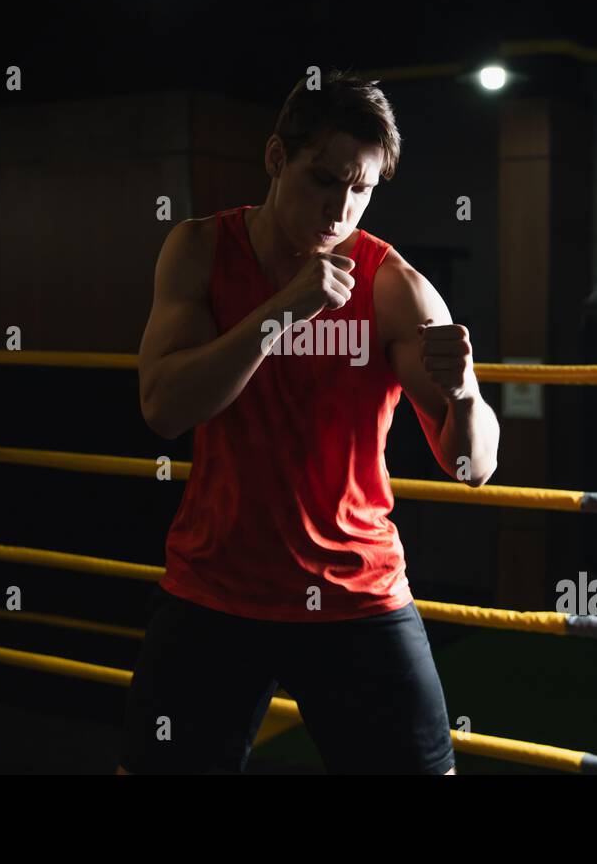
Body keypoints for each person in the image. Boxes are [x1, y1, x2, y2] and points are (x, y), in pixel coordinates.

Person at [117, 69, 500, 774]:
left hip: (356, 592)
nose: (340, 208)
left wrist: (469, 392)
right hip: (215, 588)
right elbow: (163, 408)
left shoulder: (394, 286)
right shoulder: (201, 250)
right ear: (274, 158)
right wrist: (281, 312)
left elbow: (473, 466)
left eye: (361, 190)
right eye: (324, 180)